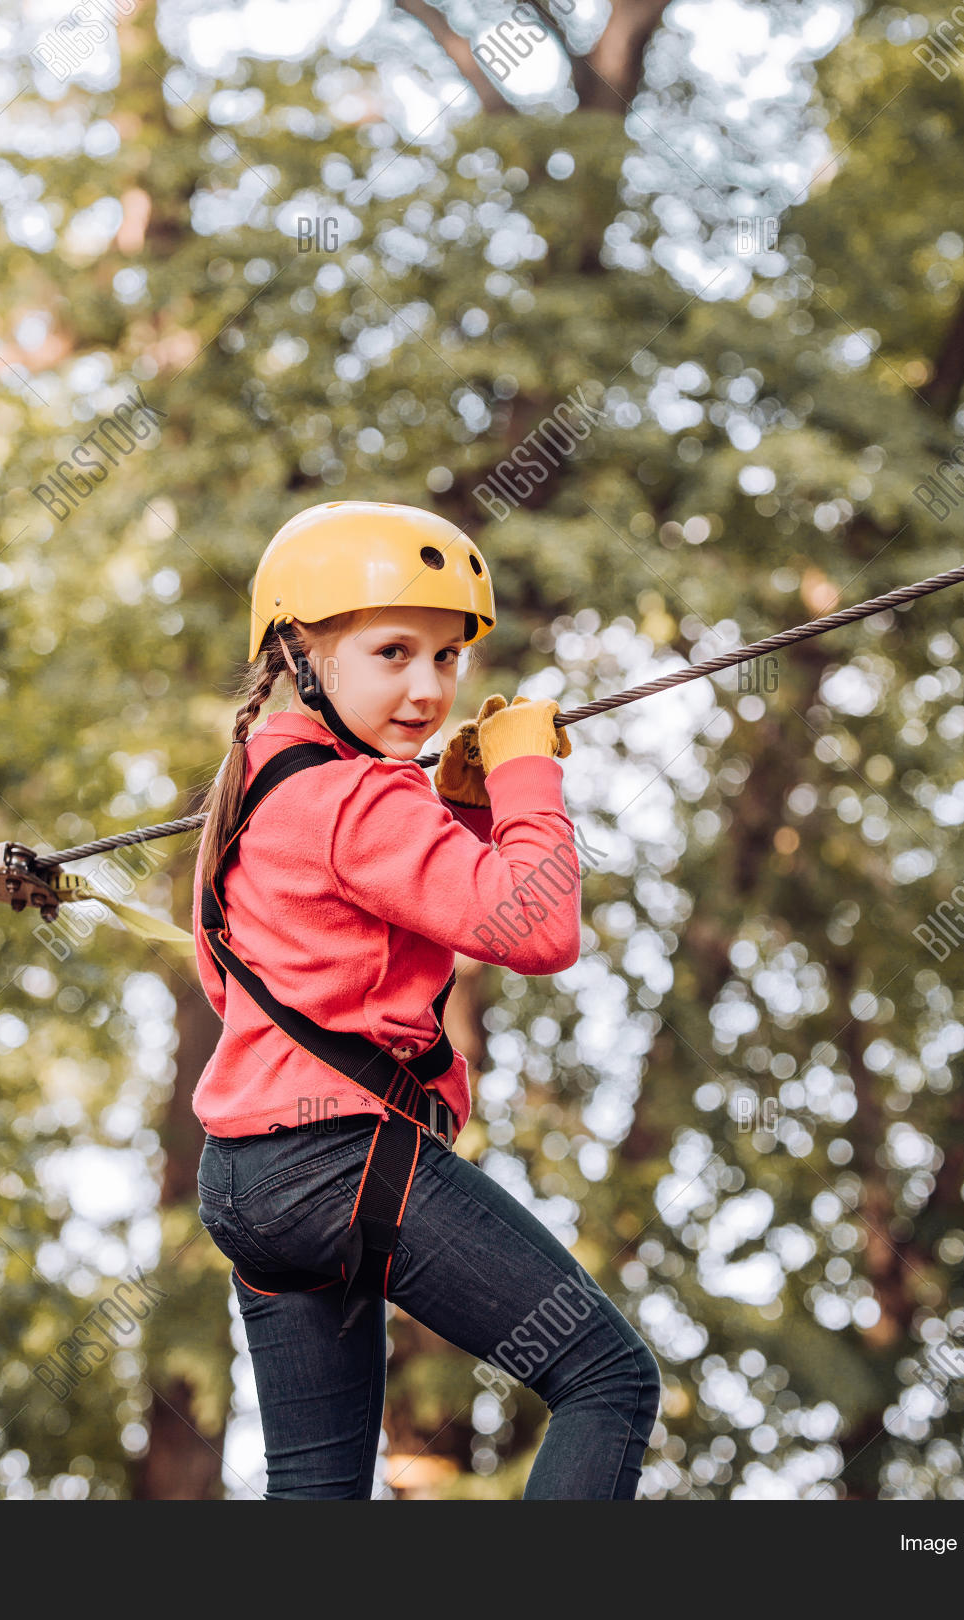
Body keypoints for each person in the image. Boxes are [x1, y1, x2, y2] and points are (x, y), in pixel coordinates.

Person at [190, 499, 660, 1499]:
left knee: (314, 1489)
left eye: (448, 658)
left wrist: (466, 811)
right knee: (607, 1378)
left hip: (249, 1184)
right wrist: (529, 776)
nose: (427, 687)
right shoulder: (363, 794)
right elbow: (537, 926)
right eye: (394, 652)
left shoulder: (259, 790)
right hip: (339, 1164)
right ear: (301, 651)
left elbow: (326, 955)